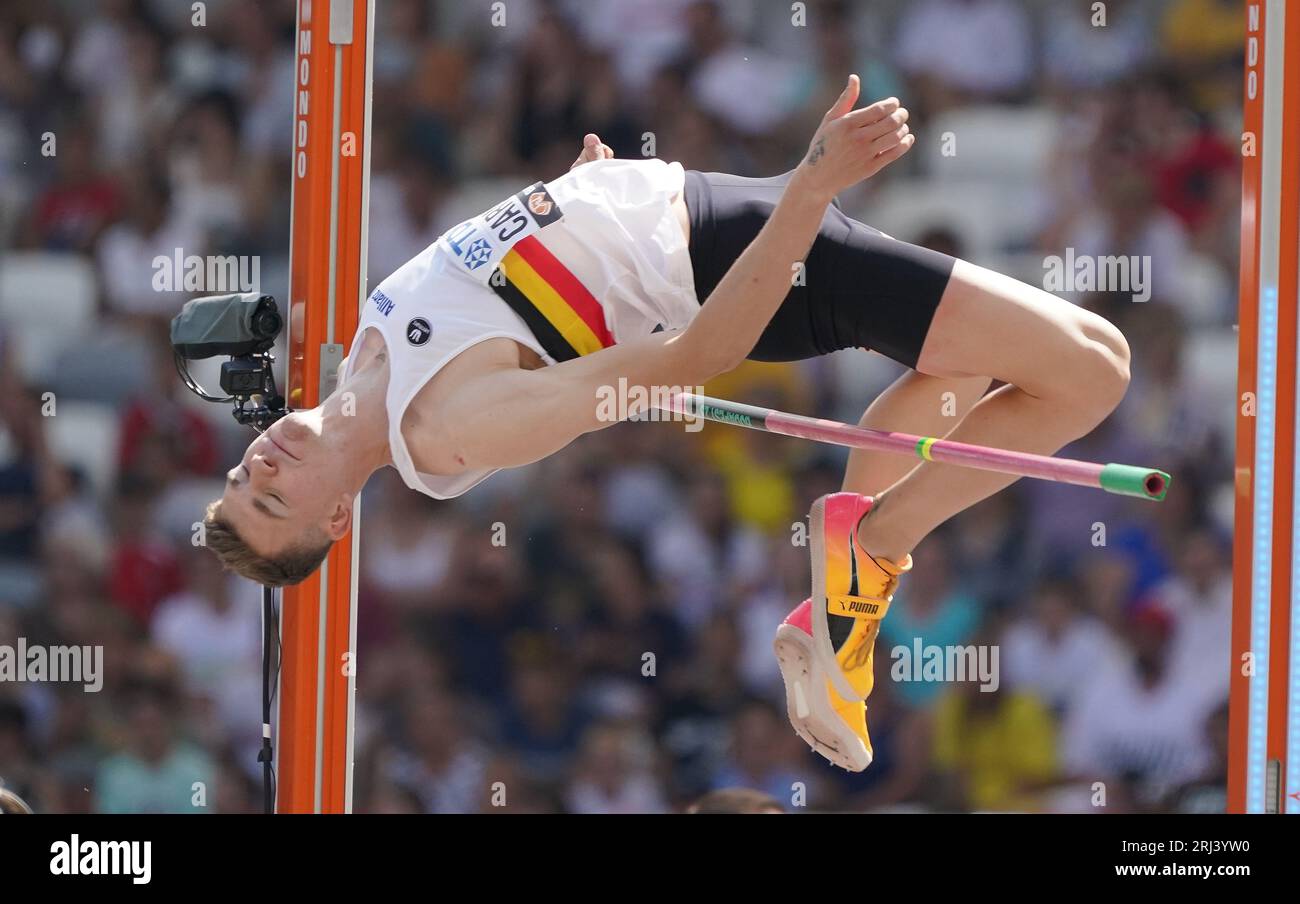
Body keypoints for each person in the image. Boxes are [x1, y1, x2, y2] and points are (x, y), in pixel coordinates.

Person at [203, 76, 1131, 772]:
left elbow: (514, 297)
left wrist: (577, 202)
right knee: (1094, 369)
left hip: (704, 207)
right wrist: (812, 191)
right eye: (273, 499)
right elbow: (693, 358)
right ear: (334, 523)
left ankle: (850, 593)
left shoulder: (357, 364)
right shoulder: (452, 428)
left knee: (964, 364)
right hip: (739, 257)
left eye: (245, 478)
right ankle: (872, 550)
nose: (262, 466)